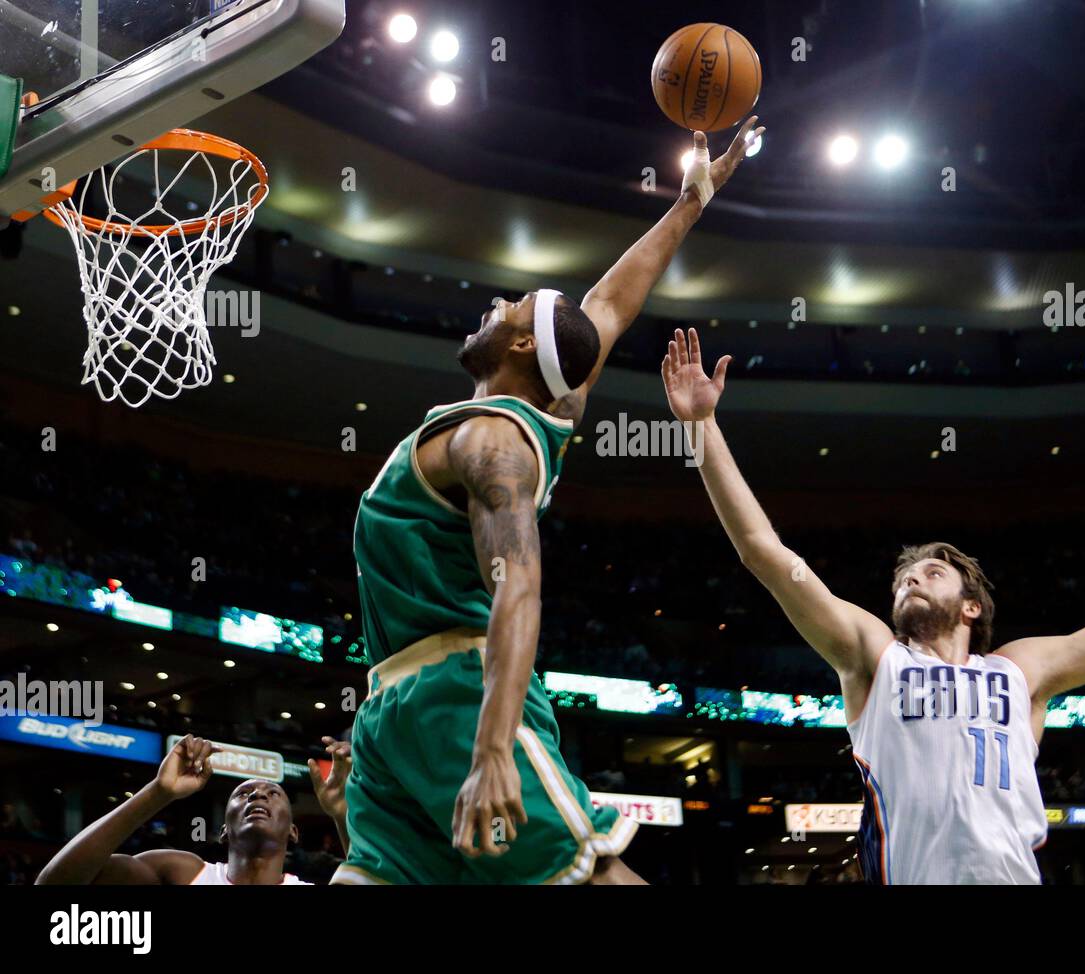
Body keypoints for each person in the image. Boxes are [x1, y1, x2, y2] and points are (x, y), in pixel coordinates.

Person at [335, 121, 765, 885]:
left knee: (588, 877)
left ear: (525, 345)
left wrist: (495, 745)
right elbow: (611, 304)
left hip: (463, 695)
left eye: (508, 306)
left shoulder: (495, 443)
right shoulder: (544, 410)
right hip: (391, 711)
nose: (492, 305)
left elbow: (520, 585)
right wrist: (695, 197)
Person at [661, 326, 1085, 884]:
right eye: (903, 578)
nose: (911, 580)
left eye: (931, 573)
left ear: (970, 609)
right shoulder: (874, 657)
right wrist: (703, 427)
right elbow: (764, 552)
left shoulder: (1021, 671)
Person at [36, 734, 351, 885]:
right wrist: (158, 793)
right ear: (224, 831)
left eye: (272, 793)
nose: (257, 794)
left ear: (293, 832)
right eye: (243, 793)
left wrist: (345, 815)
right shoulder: (183, 872)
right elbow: (55, 883)